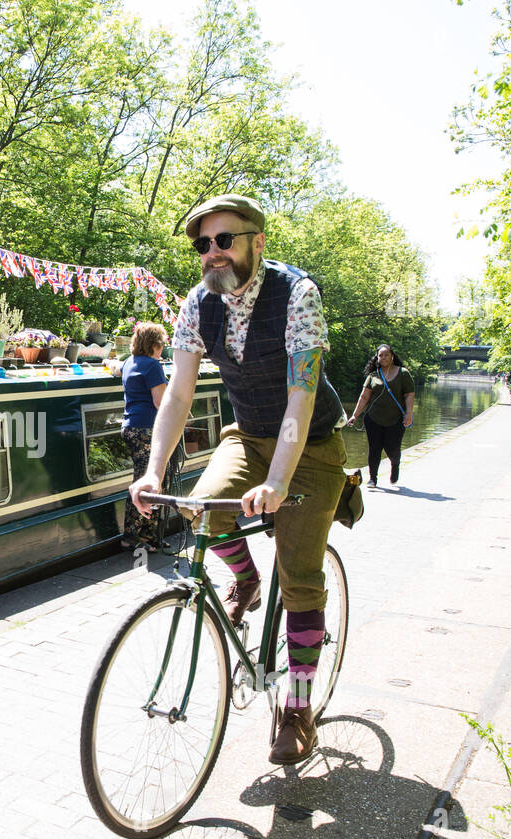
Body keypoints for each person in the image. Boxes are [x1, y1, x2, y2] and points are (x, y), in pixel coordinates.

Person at [130, 193, 347, 766]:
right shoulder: (196, 305)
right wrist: (154, 469)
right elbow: (177, 394)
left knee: (301, 578)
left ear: (258, 242)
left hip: (311, 444)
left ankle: (298, 710)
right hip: (248, 434)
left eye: (224, 240)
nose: (212, 254)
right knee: (201, 508)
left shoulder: (297, 295)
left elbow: (301, 395)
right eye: (203, 244)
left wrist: (277, 483)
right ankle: (246, 581)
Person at [119, 321, 169, 550]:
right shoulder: (152, 366)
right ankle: (133, 535)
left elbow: (116, 368)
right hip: (148, 428)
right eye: (162, 344)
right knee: (147, 482)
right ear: (154, 345)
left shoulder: (129, 362)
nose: (163, 349)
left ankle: (148, 533)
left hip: (131, 426)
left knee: (146, 479)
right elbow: (161, 402)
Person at [347, 344, 414, 488]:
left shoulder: (403, 373)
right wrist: (354, 415)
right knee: (374, 448)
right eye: (381, 355)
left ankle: (395, 464)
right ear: (377, 358)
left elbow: (409, 395)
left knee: (393, 449)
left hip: (395, 420)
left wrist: (409, 413)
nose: (383, 357)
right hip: (373, 418)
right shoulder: (373, 376)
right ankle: (373, 479)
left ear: (392, 356)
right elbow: (364, 397)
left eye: (386, 355)